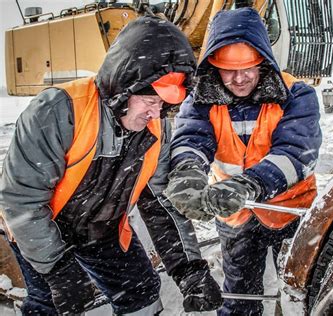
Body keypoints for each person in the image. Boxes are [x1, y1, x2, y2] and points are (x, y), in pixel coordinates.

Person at [0, 16, 222, 315]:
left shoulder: (156, 130)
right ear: (123, 84)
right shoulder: (58, 110)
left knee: (142, 296)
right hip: (42, 229)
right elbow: (21, 200)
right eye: (149, 100)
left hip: (103, 231)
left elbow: (161, 205)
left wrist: (189, 269)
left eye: (164, 104)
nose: (156, 113)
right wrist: (57, 268)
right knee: (51, 303)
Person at [164, 8, 322, 316]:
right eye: (228, 69)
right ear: (213, 66)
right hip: (235, 215)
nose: (239, 78)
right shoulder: (201, 99)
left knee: (303, 295)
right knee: (239, 299)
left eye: (248, 67)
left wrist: (249, 184)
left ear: (263, 59)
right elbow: (191, 140)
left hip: (291, 212)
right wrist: (187, 173)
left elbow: (296, 151)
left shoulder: (296, 94)